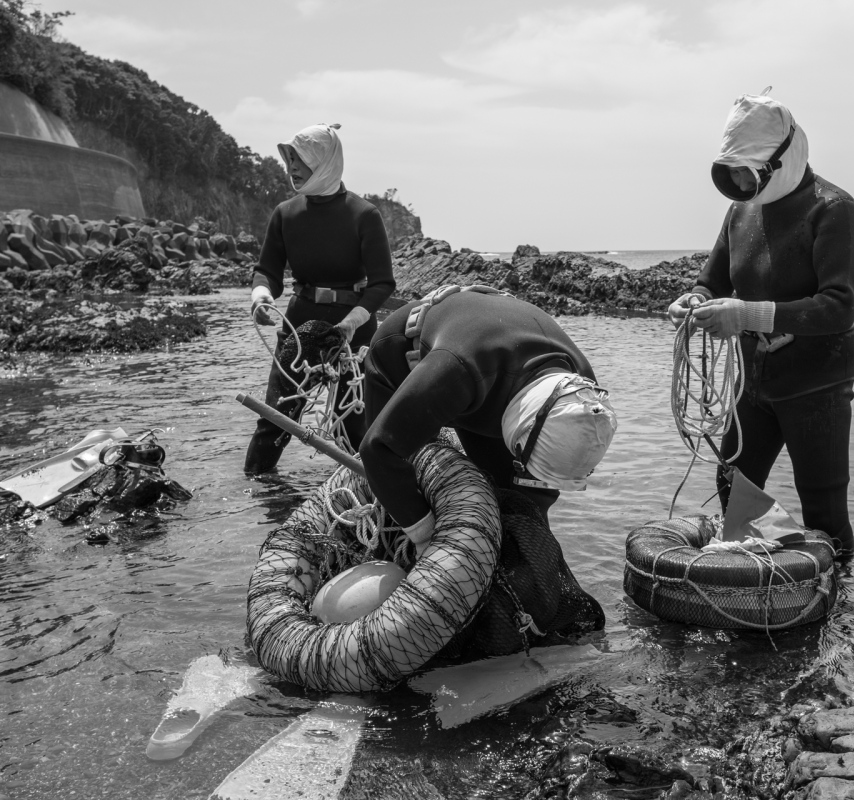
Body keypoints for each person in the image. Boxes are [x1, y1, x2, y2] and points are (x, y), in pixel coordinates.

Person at [667, 91, 854, 557]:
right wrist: (692, 301)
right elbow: (711, 281)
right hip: (754, 380)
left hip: (817, 382)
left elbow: (840, 306)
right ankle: (771, 572)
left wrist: (748, 314)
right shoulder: (741, 209)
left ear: (785, 157)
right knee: (731, 480)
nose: (740, 181)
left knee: (822, 502)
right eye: (732, 171)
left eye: (748, 170)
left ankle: (837, 609)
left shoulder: (834, 209)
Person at [360, 287, 618, 556]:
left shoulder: (585, 400)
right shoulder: (458, 369)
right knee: (395, 497)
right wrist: (425, 538)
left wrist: (536, 545)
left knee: (517, 500)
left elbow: (538, 488)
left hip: (491, 381)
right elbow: (377, 451)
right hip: (402, 359)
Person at [244, 123, 395, 474]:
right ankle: (257, 501)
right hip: (299, 330)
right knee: (276, 420)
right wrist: (261, 295)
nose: (292, 166)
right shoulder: (285, 213)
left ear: (326, 160)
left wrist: (350, 324)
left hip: (354, 332)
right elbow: (267, 269)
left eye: (301, 158)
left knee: (356, 429)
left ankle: (362, 502)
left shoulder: (365, 215)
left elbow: (383, 283)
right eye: (290, 158)